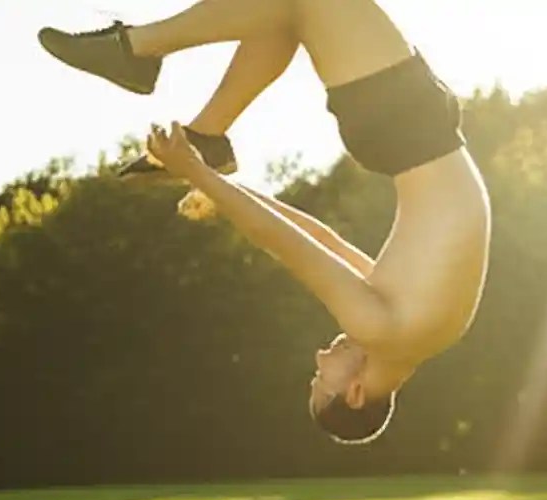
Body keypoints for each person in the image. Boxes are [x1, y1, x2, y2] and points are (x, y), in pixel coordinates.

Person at [37, 0, 491, 444]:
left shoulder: (420, 331)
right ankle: (137, 52)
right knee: (288, 10)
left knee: (288, 12)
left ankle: (186, 111)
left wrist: (214, 182)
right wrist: (195, 171)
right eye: (320, 377)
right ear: (354, 393)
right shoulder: (382, 330)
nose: (320, 356)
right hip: (404, 130)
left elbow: (318, 238)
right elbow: (288, 243)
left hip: (418, 130)